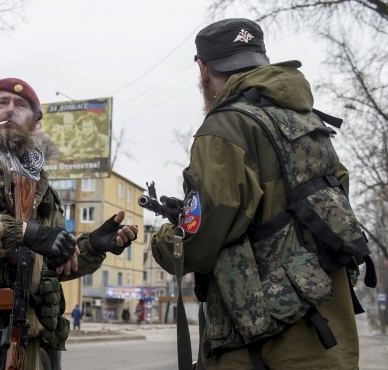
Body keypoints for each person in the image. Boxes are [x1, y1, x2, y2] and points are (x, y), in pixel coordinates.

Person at [150, 19, 375, 370]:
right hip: (332, 344)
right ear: (261, 59)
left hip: (266, 351)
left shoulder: (224, 128)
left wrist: (164, 240)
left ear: (203, 69)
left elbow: (201, 238)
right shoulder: (309, 124)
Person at [0, 78, 138, 370]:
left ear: (35, 122)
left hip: (25, 342)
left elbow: (51, 267)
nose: (9, 110)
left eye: (20, 105)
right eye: (1, 102)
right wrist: (22, 232)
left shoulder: (39, 185)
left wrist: (93, 247)